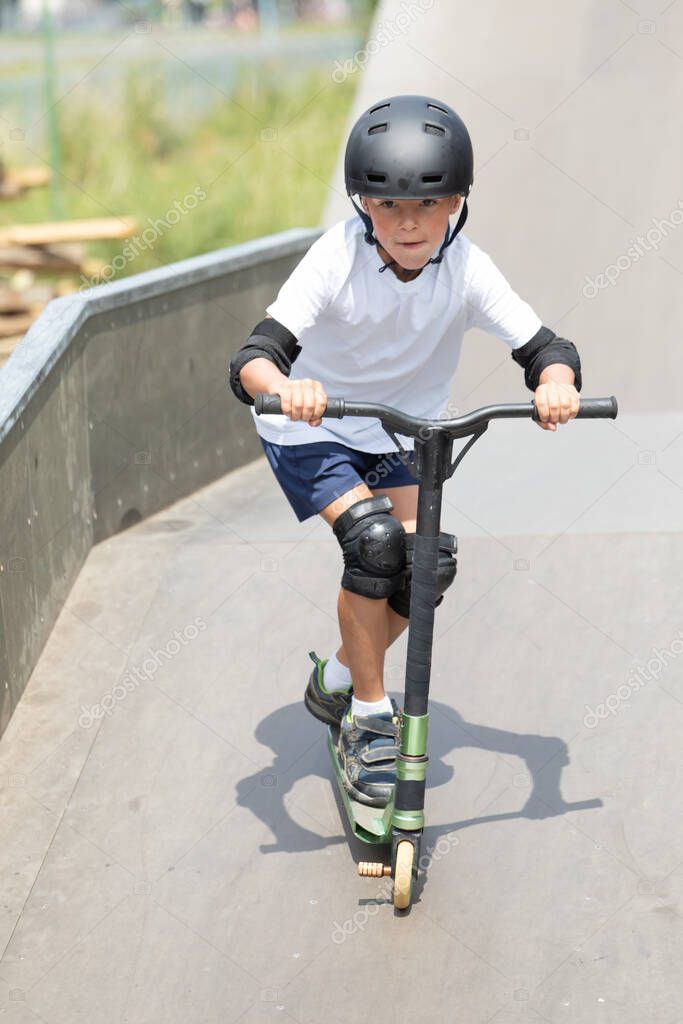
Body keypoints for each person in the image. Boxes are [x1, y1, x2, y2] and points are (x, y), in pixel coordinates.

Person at [228, 94, 582, 809]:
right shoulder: (335, 257)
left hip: (400, 435)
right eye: (388, 207)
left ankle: (334, 678)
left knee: (429, 565)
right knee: (375, 546)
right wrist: (284, 389)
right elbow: (253, 358)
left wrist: (557, 384)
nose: (409, 224)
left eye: (428, 205)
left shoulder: (468, 269)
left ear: (456, 203)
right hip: (315, 430)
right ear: (363, 206)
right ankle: (366, 715)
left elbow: (547, 347)